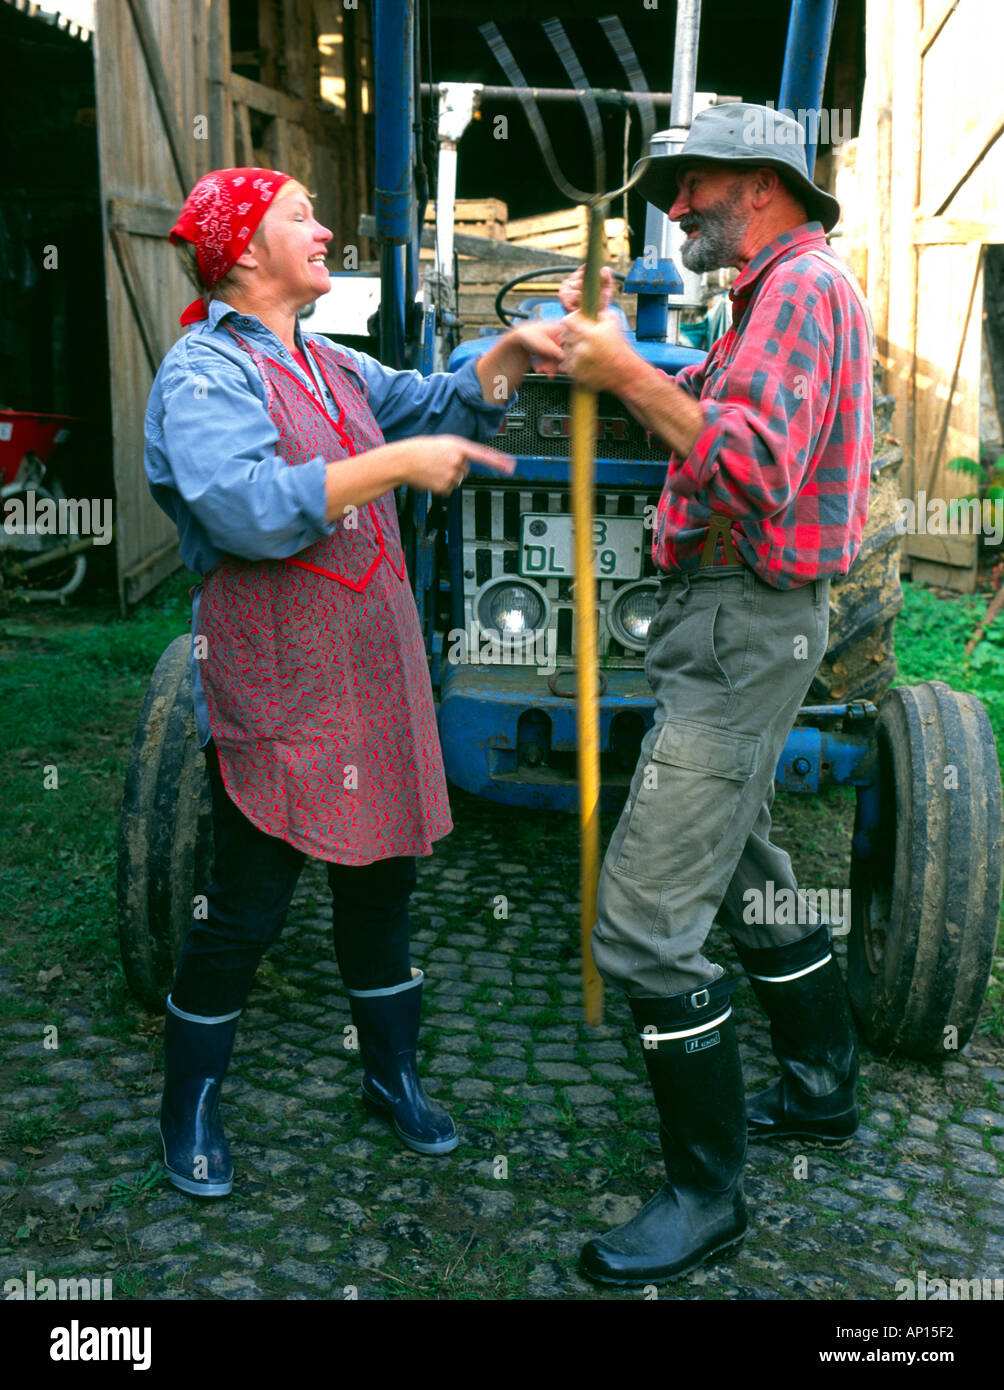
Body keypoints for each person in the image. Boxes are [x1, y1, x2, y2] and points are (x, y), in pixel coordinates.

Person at [144, 167, 564, 1196]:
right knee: (244, 902)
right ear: (244, 251)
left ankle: (392, 1077)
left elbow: (442, 400)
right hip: (281, 672)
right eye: (301, 216)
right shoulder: (202, 375)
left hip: (370, 668)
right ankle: (187, 1105)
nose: (326, 229)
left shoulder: (331, 366)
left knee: (382, 883)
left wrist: (508, 353)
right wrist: (394, 466)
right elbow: (243, 508)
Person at [556, 104, 873, 1285]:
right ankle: (819, 1090)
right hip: (734, 620)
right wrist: (615, 367)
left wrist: (628, 371)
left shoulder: (800, 290)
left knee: (640, 924)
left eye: (687, 183)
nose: (674, 205)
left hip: (743, 621)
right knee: (744, 864)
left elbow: (748, 462)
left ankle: (706, 1196)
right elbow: (723, 398)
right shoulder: (769, 297)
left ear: (758, 180)